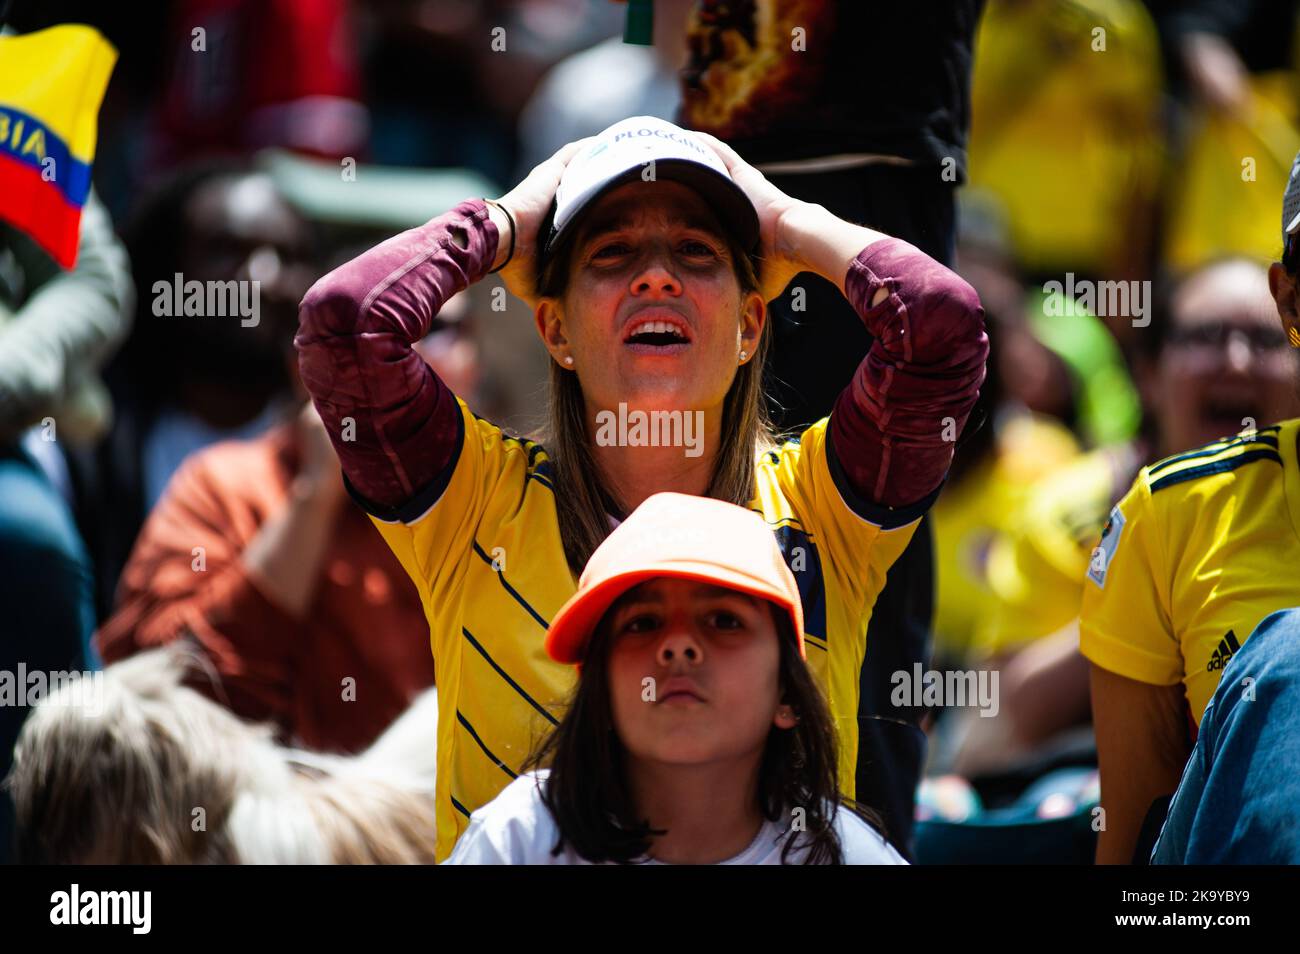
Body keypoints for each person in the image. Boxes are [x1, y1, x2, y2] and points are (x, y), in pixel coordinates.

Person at [296, 115, 988, 860]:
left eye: (695, 252)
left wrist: (788, 222)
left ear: (752, 325)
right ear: (554, 332)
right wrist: (503, 221)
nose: (656, 278)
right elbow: (347, 326)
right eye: (613, 253)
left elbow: (940, 329)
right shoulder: (474, 503)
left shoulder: (825, 509)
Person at [446, 492, 905, 865]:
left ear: (787, 694)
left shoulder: (846, 855)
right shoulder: (517, 842)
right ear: (599, 693)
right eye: (642, 623)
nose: (678, 645)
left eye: (724, 620)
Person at [1080, 153, 1300, 863]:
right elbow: (1135, 846)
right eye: (1203, 340)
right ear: (1292, 302)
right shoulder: (1174, 514)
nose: (1234, 363)